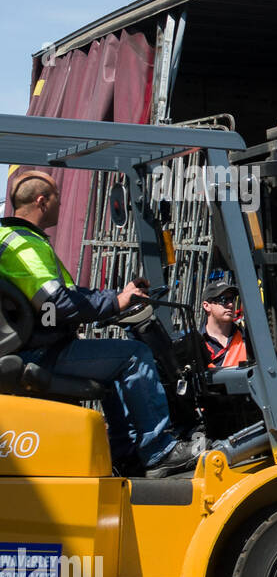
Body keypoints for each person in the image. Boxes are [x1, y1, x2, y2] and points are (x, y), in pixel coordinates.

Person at [0, 169, 199, 478]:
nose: (60, 206)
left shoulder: (11, 240)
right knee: (135, 356)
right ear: (42, 201)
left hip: (35, 344)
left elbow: (63, 299)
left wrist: (118, 297)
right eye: (57, 200)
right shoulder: (24, 246)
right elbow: (57, 304)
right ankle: (159, 451)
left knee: (114, 365)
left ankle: (125, 454)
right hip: (40, 351)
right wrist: (115, 303)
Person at [201, 279, 249, 368]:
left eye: (232, 299)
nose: (231, 305)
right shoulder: (197, 343)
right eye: (224, 300)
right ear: (207, 306)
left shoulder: (247, 339)